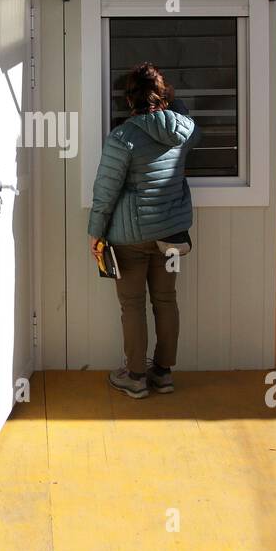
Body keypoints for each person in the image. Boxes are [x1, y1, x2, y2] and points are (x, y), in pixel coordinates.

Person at [88, 62, 200, 399]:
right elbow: (186, 121)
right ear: (164, 95)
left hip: (130, 238)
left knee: (132, 305)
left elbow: (105, 191)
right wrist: (172, 101)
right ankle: (163, 375)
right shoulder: (186, 130)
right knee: (166, 300)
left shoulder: (123, 137)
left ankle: (135, 377)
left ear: (128, 100)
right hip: (171, 238)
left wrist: (96, 232)